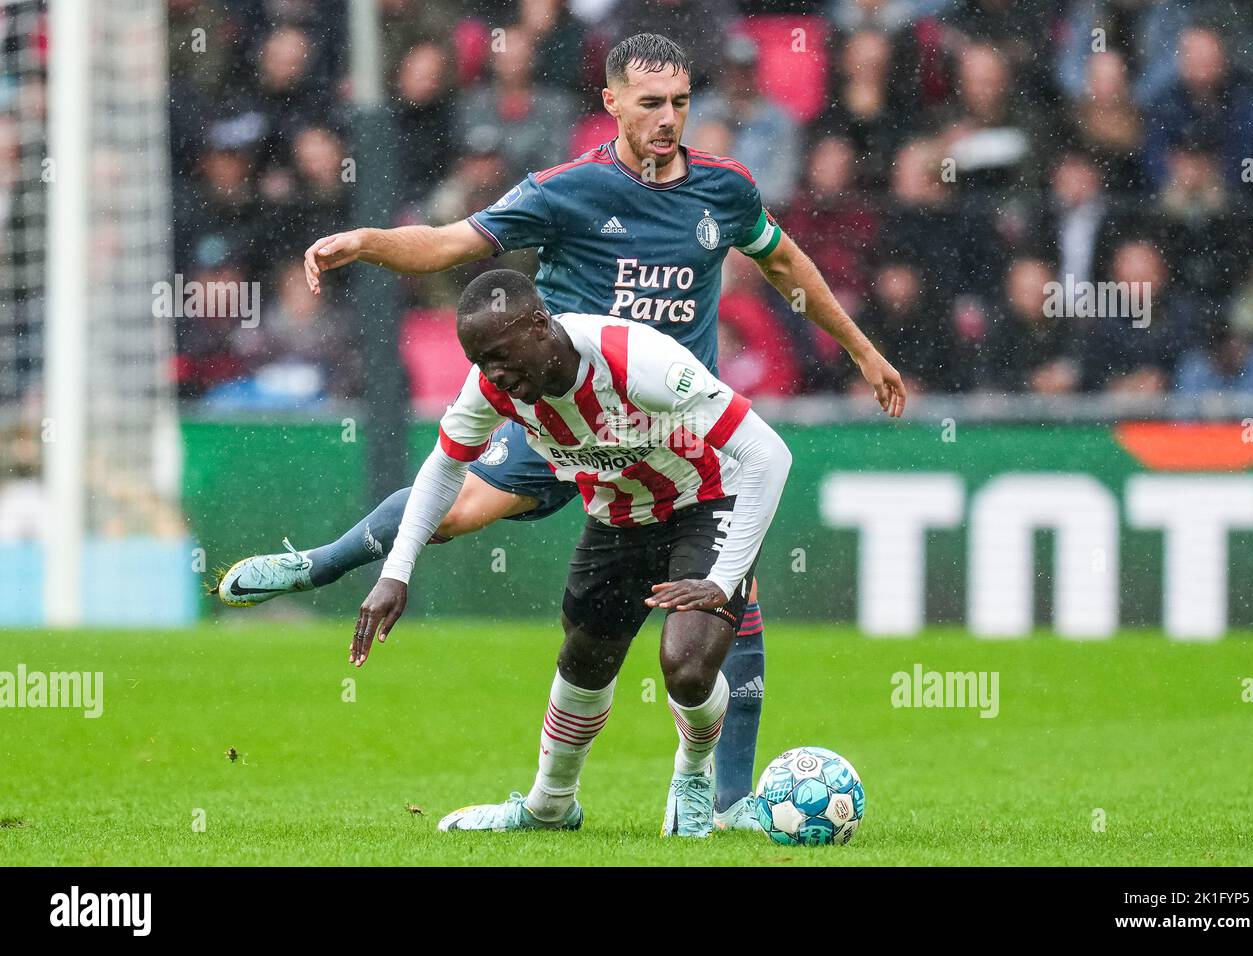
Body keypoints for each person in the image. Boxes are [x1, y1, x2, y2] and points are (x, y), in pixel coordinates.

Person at [215, 33, 907, 831]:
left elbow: (786, 265)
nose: (668, 119)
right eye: (651, 103)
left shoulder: (724, 192)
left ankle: (725, 797)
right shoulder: (565, 190)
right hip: (562, 401)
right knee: (461, 507)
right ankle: (320, 565)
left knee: (717, 599)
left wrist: (860, 349)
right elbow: (448, 247)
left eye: (680, 102)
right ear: (610, 103)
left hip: (675, 423)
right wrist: (369, 243)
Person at [353, 269, 792, 837]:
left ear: (541, 325)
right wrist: (397, 573)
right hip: (617, 515)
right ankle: (549, 807)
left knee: (686, 666)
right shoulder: (493, 384)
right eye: (480, 361)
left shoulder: (636, 361)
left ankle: (693, 772)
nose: (494, 374)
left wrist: (726, 578)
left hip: (706, 498)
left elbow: (768, 454)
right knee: (585, 660)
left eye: (500, 355)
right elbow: (443, 467)